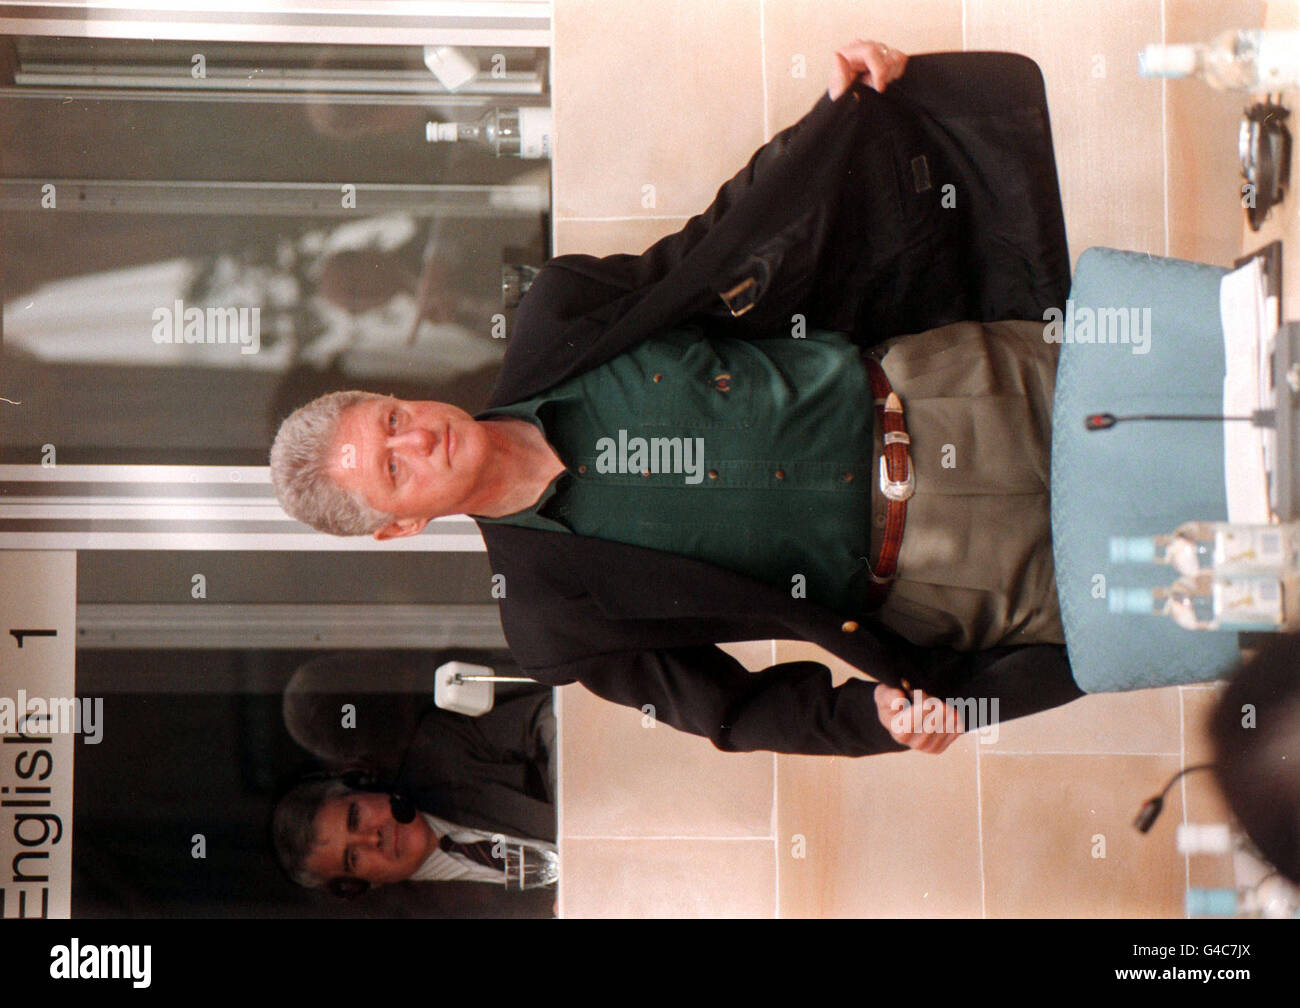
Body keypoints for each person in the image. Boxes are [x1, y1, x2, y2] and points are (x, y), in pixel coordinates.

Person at [269, 40, 1084, 757]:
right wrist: (876, 721)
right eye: (393, 469)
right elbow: (731, 712)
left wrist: (830, 121)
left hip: (964, 387)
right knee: (1187, 590)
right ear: (401, 525)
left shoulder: (559, 315)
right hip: (959, 575)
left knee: (1202, 381)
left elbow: (717, 242)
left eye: (393, 420)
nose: (418, 440)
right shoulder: (554, 622)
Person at [273, 776, 556, 896]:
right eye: (353, 857)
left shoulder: (449, 746)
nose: (373, 840)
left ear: (366, 790)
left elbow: (548, 719)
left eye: (355, 818)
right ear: (360, 885)